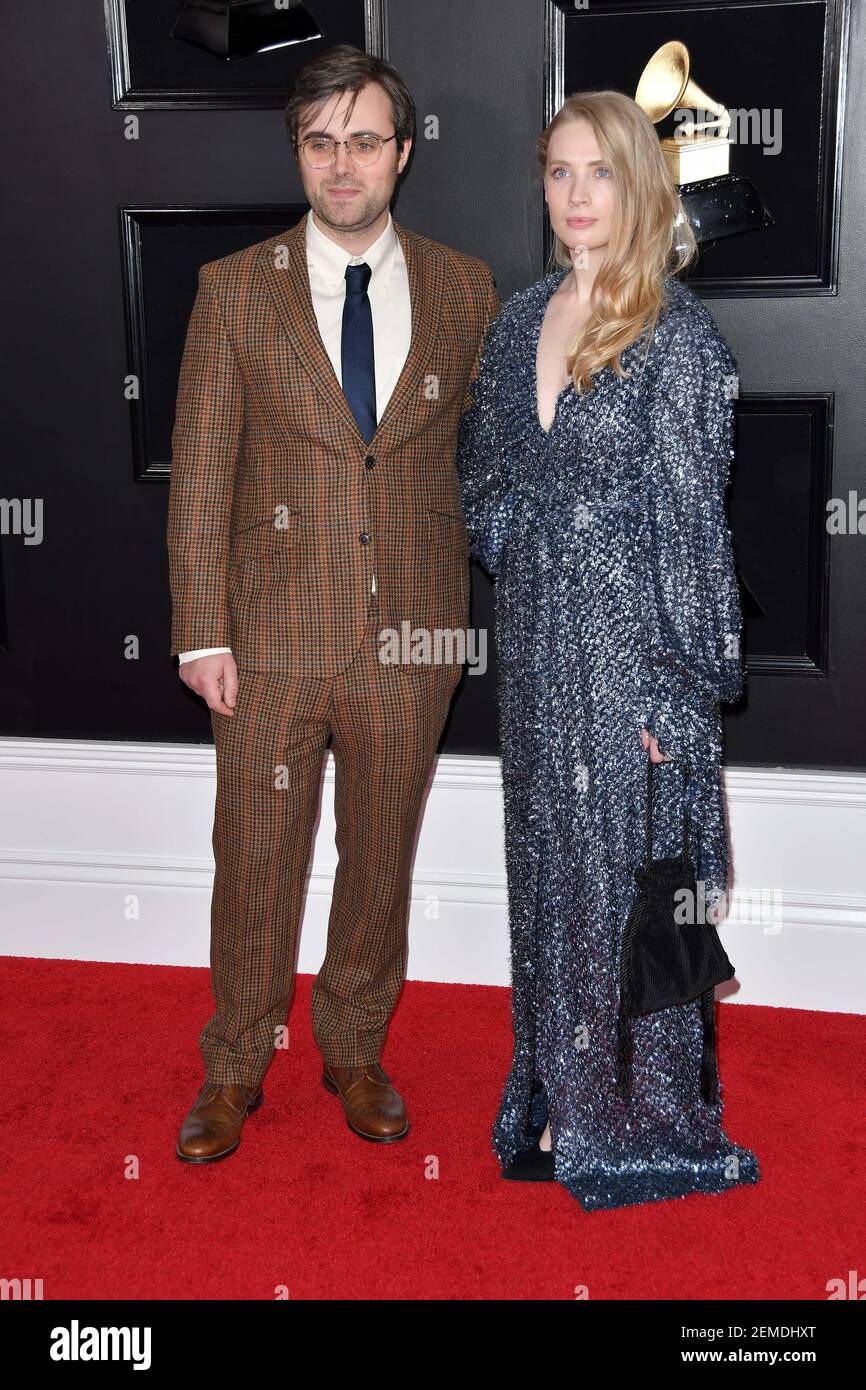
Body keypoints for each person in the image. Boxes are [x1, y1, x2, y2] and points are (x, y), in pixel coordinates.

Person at [166, 44, 499, 1162]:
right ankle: (232, 1064)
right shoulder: (232, 288)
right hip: (264, 639)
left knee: (379, 855)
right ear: (298, 154)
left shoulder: (464, 285)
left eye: (363, 140)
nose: (341, 165)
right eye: (320, 142)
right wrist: (198, 629)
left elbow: (485, 463)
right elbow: (201, 468)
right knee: (255, 853)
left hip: (413, 632)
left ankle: (354, 1046)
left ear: (402, 154)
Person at [457, 90, 761, 1210]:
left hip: (631, 651)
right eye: (556, 172)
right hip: (536, 644)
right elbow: (481, 474)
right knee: (544, 867)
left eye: (597, 172)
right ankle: (555, 1082)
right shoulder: (516, 317)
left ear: (639, 187)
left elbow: (693, 524)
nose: (574, 195)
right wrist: (522, 535)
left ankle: (632, 1109)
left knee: (627, 878)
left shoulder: (677, 337)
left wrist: (674, 686)